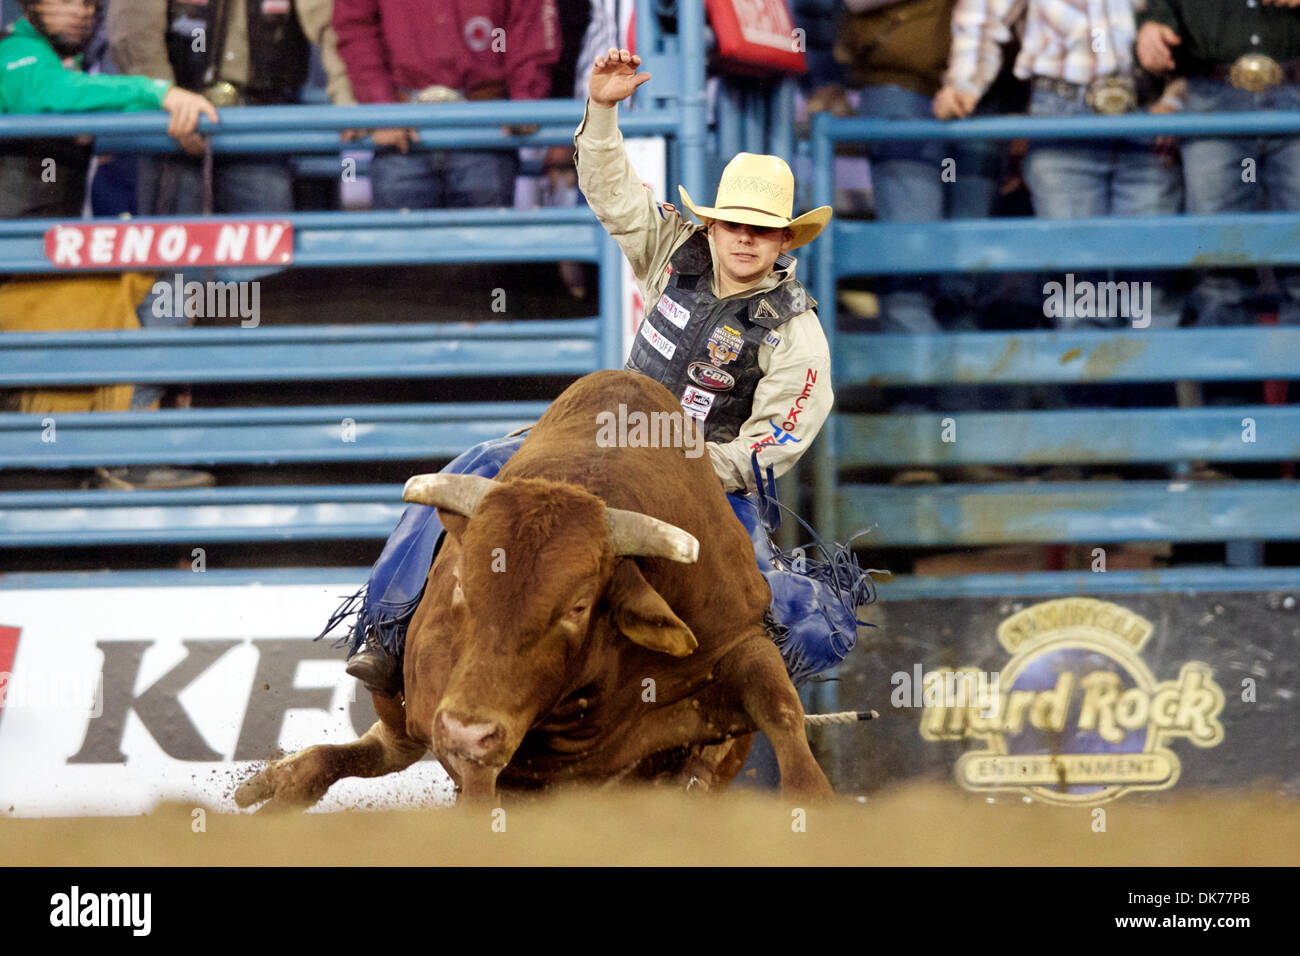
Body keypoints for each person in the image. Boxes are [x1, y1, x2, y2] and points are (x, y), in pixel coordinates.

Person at [337, 48, 870, 699]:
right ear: (714, 223)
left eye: (762, 230)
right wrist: (602, 108)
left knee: (774, 608)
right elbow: (610, 189)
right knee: (467, 472)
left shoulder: (797, 332)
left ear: (785, 240)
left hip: (706, 482)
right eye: (734, 223)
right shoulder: (675, 250)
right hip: (603, 437)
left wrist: (681, 466)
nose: (745, 239)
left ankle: (738, 705)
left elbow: (772, 446)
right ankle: (388, 632)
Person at [1138, 0, 1300, 328]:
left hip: (1294, 88)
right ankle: (1228, 375)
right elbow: (1159, 11)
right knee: (1218, 260)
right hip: (1211, 95)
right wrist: (1151, 26)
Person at [108, 0, 355, 215]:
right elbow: (133, 29)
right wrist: (165, 99)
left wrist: (347, 103)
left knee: (263, 251)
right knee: (178, 256)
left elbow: (334, 25)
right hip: (175, 123)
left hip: (264, 122)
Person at [332, 0, 560, 210]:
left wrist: (525, 99)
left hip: (485, 128)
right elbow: (356, 27)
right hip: (400, 129)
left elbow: (531, 27)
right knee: (402, 249)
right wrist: (381, 108)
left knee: (485, 249)